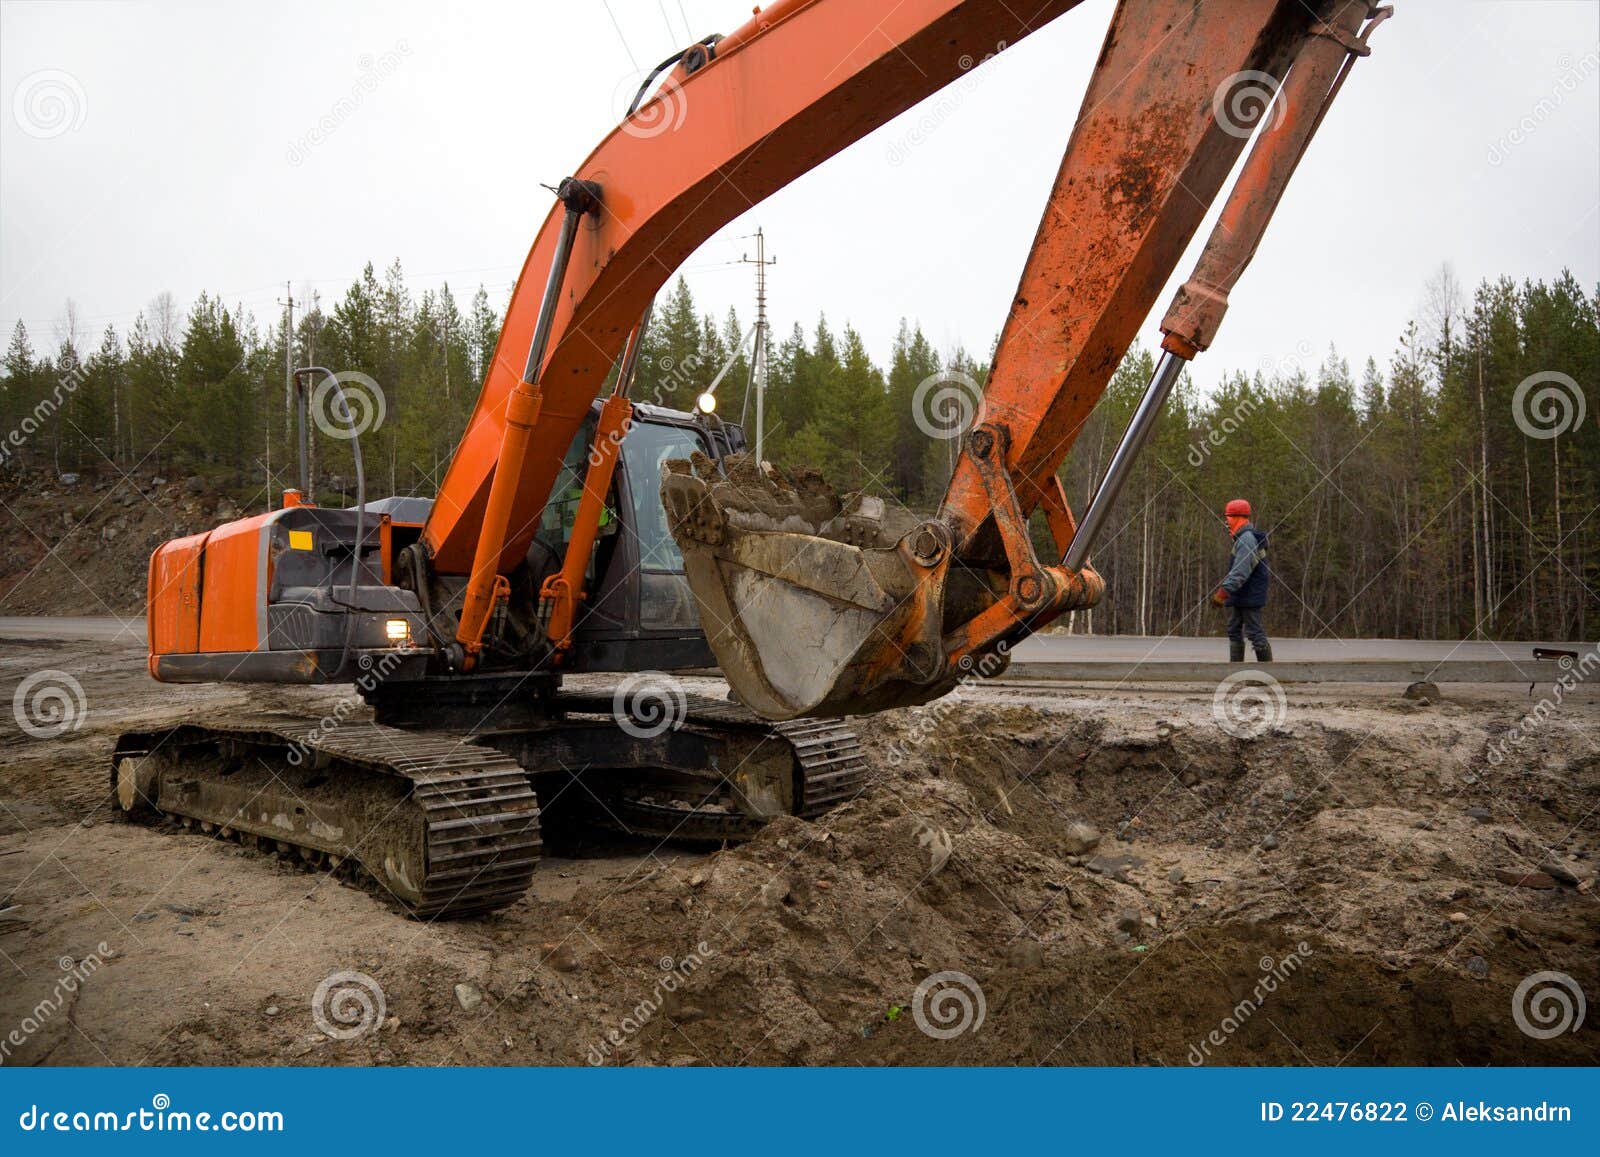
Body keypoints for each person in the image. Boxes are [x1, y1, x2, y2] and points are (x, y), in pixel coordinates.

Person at [1211, 498, 1271, 662]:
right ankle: (1236, 671)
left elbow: (1240, 571)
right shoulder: (1243, 538)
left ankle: (1269, 674)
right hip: (1242, 594)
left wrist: (1223, 593)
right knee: (1233, 629)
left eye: (1228, 517)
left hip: (1249, 594)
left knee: (1254, 632)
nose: (1226, 522)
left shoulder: (1246, 539)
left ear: (1237, 517)